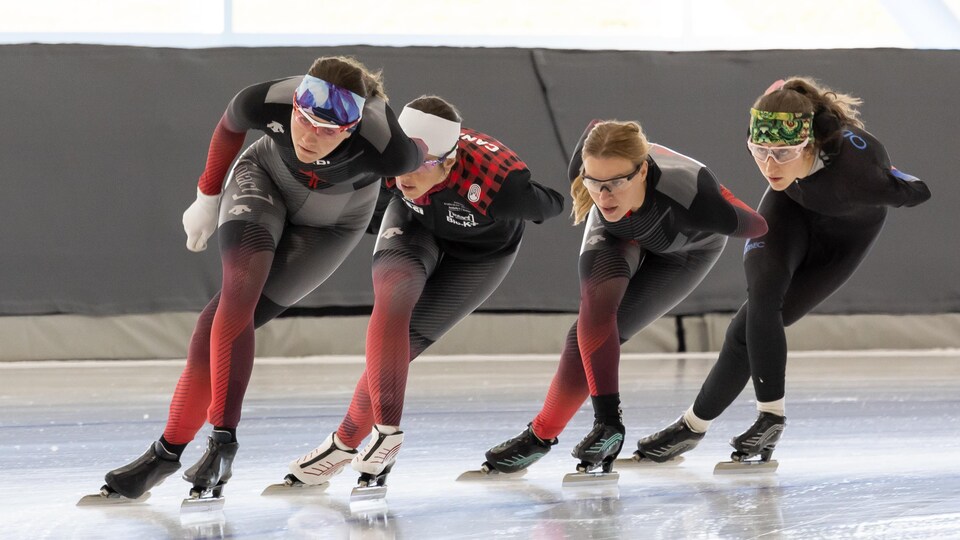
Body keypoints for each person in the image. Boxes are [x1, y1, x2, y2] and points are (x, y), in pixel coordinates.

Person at [90, 56, 424, 502]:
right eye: (303, 121)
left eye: (327, 131)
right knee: (235, 296)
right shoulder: (266, 99)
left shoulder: (388, 145)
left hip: (334, 223)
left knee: (214, 328)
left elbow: (424, 157)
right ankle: (206, 447)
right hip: (264, 179)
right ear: (294, 106)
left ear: (351, 129)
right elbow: (229, 128)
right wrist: (206, 196)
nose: (309, 137)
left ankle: (176, 453)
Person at [636, 77, 931, 466]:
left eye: (783, 152)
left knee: (750, 328)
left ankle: (751, 422)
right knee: (757, 306)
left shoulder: (857, 173)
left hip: (842, 240)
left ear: (810, 143)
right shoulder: (778, 145)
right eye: (760, 151)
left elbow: (918, 191)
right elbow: (786, 96)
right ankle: (708, 426)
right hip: (789, 210)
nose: (769, 165)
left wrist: (895, 178)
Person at [282, 95, 564, 490]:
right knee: (394, 295)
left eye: (421, 165)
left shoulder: (501, 184)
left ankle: (347, 441)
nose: (405, 175)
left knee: (408, 340)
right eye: (403, 162)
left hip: (480, 255)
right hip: (414, 226)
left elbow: (554, 204)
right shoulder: (385, 153)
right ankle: (366, 441)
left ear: (449, 162)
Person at [479, 119, 769, 475]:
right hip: (619, 235)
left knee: (607, 328)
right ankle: (579, 431)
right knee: (591, 319)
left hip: (686, 250)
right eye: (594, 183)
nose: (603, 196)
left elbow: (758, 226)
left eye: (616, 183)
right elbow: (595, 128)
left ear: (643, 170)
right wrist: (603, 178)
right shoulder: (592, 178)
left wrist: (720, 198)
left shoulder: (693, 195)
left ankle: (576, 431)